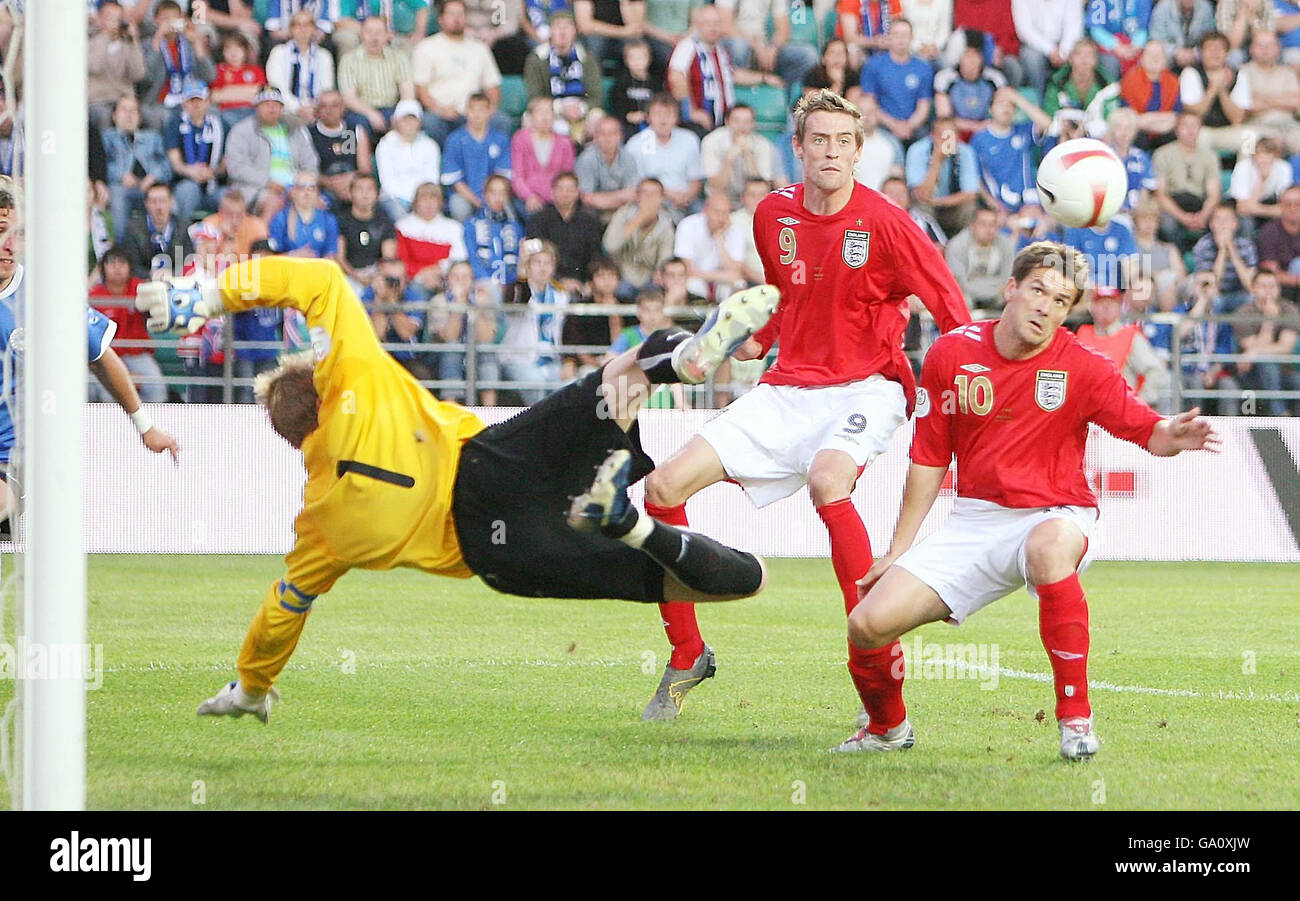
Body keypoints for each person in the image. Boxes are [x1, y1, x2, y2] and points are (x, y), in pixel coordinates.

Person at [134, 255, 776, 722]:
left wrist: (251, 685)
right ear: (316, 376)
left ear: (297, 442)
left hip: (499, 552)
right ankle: (681, 355)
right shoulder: (356, 369)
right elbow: (318, 281)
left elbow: (286, 607)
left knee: (702, 579)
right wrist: (207, 297)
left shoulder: (320, 523)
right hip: (494, 460)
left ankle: (636, 533)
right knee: (617, 380)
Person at [639, 89, 971, 722]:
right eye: (819, 140)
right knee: (660, 487)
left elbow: (948, 303)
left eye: (844, 142)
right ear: (797, 147)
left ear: (858, 151)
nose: (832, 152)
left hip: (868, 384)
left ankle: (872, 655)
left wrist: (970, 379)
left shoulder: (888, 222)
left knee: (827, 482)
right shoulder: (772, 214)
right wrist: (757, 340)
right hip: (787, 386)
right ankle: (687, 652)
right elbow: (785, 292)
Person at [839, 241, 1217, 758]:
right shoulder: (951, 353)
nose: (1045, 306)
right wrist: (899, 547)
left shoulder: (1084, 367)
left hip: (1057, 512)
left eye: (1061, 301)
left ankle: (1075, 720)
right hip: (976, 521)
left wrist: (1172, 435)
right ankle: (887, 729)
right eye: (1038, 290)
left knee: (1046, 546)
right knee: (866, 624)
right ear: (1010, 288)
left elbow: (1144, 429)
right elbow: (930, 458)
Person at [0, 197, 177, 526]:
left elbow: (100, 357)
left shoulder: (44, 293)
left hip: (10, 457)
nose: (8, 245)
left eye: (17, 234)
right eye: (0, 232)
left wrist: (146, 427)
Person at [88, 244, 168, 405]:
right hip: (105, 356)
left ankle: (151, 429)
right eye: (112, 263)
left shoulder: (142, 289)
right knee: (108, 394)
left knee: (156, 388)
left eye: (122, 263)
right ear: (103, 268)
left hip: (137, 354)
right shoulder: (95, 295)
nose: (117, 268)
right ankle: (112, 429)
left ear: (130, 266)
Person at [1077, 285, 1172, 409]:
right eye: (1101, 302)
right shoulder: (1082, 334)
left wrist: (1140, 403)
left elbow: (1156, 371)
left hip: (1119, 411)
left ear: (1119, 306)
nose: (1106, 307)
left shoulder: (1131, 336)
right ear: (1092, 307)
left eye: (1111, 303)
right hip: (1086, 410)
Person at [1233, 269, 1300, 415]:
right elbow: (1250, 346)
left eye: (1273, 286)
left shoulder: (1289, 310)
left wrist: (1254, 352)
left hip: (1284, 371)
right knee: (1267, 363)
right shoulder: (1243, 313)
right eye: (1264, 286)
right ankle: (1280, 415)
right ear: (1253, 288)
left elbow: (1285, 348)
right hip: (1250, 372)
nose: (1269, 291)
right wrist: (1269, 320)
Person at [440, 93, 515, 224]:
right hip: (464, 196)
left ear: (489, 112)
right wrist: (478, 202)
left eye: (481, 110)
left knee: (510, 214)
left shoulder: (500, 139)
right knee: (459, 207)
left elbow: (502, 176)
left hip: (495, 194)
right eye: (472, 109)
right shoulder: (454, 140)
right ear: (466, 112)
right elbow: (455, 180)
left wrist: (491, 198)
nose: (476, 114)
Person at [164, 78, 225, 227]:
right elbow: (175, 161)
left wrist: (213, 172)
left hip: (213, 184)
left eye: (200, 99)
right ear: (184, 103)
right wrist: (191, 172)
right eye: (191, 100)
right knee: (188, 190)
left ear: (207, 101)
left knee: (227, 196)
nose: (196, 104)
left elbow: (226, 160)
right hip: (186, 183)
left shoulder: (219, 124)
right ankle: (181, 235)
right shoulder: (175, 124)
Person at [265, 9, 337, 125]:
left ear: (314, 28)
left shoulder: (324, 56)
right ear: (291, 29)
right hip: (287, 110)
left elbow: (326, 87)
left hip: (316, 111)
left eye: (307, 25)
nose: (302, 29)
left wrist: (313, 108)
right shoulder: (278, 53)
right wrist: (298, 108)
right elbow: (277, 87)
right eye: (297, 25)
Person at [375, 100, 442, 223]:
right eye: (404, 120)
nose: (409, 124)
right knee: (401, 217)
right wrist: (409, 200)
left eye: (413, 119)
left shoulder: (430, 145)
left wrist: (420, 201)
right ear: (397, 121)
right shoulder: (385, 144)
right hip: (394, 198)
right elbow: (387, 181)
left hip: (424, 198)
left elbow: (432, 178)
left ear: (419, 122)